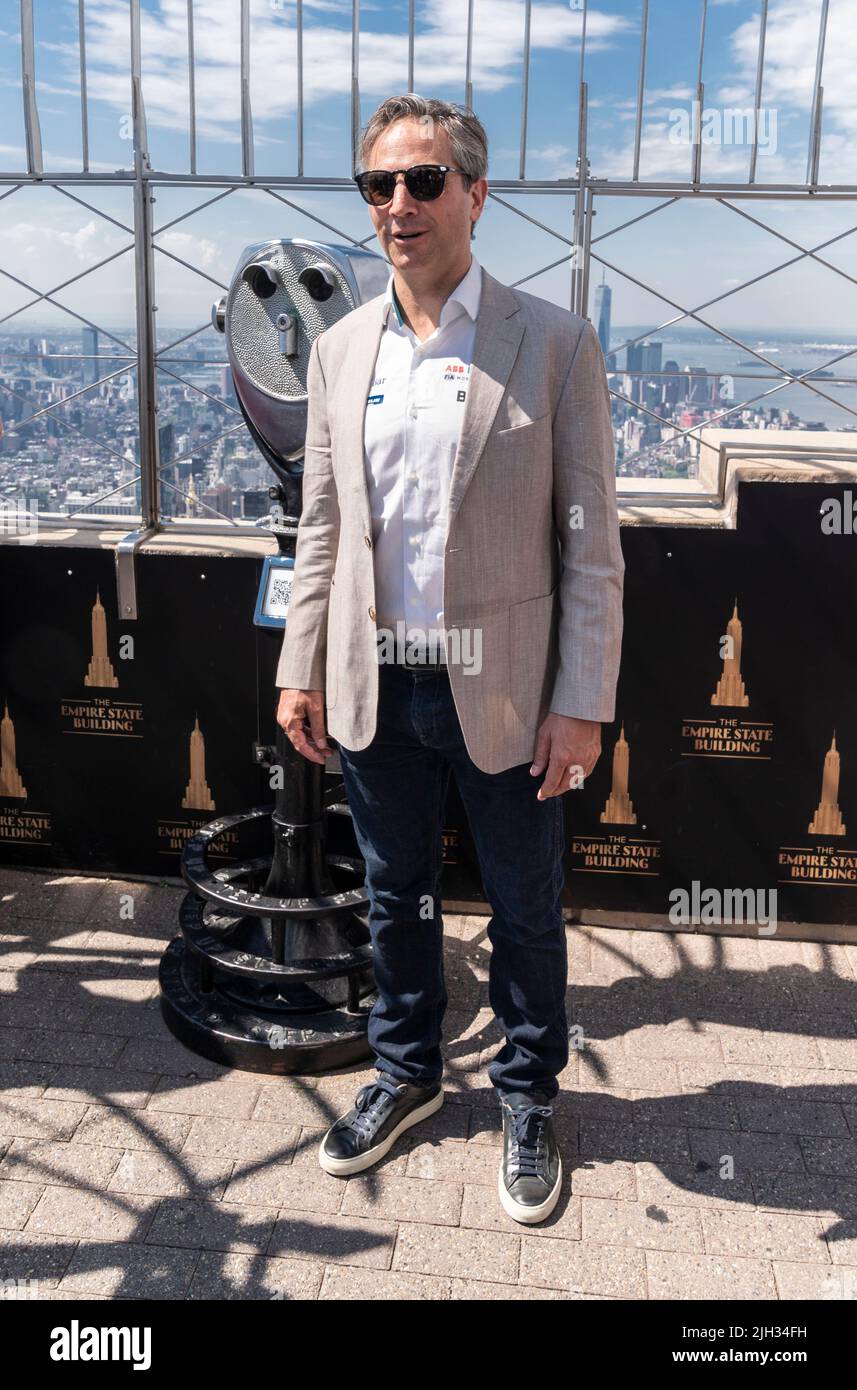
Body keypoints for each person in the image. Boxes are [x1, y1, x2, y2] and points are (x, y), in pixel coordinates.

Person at [275, 94, 624, 1225]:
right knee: (394, 897)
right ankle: (407, 1070)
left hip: (508, 685)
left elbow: (591, 545)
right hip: (377, 679)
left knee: (523, 905)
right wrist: (299, 665)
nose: (396, 205)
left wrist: (580, 701)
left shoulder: (553, 342)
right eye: (377, 185)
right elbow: (321, 528)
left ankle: (526, 1095)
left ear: (476, 194)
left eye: (422, 181)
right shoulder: (338, 351)